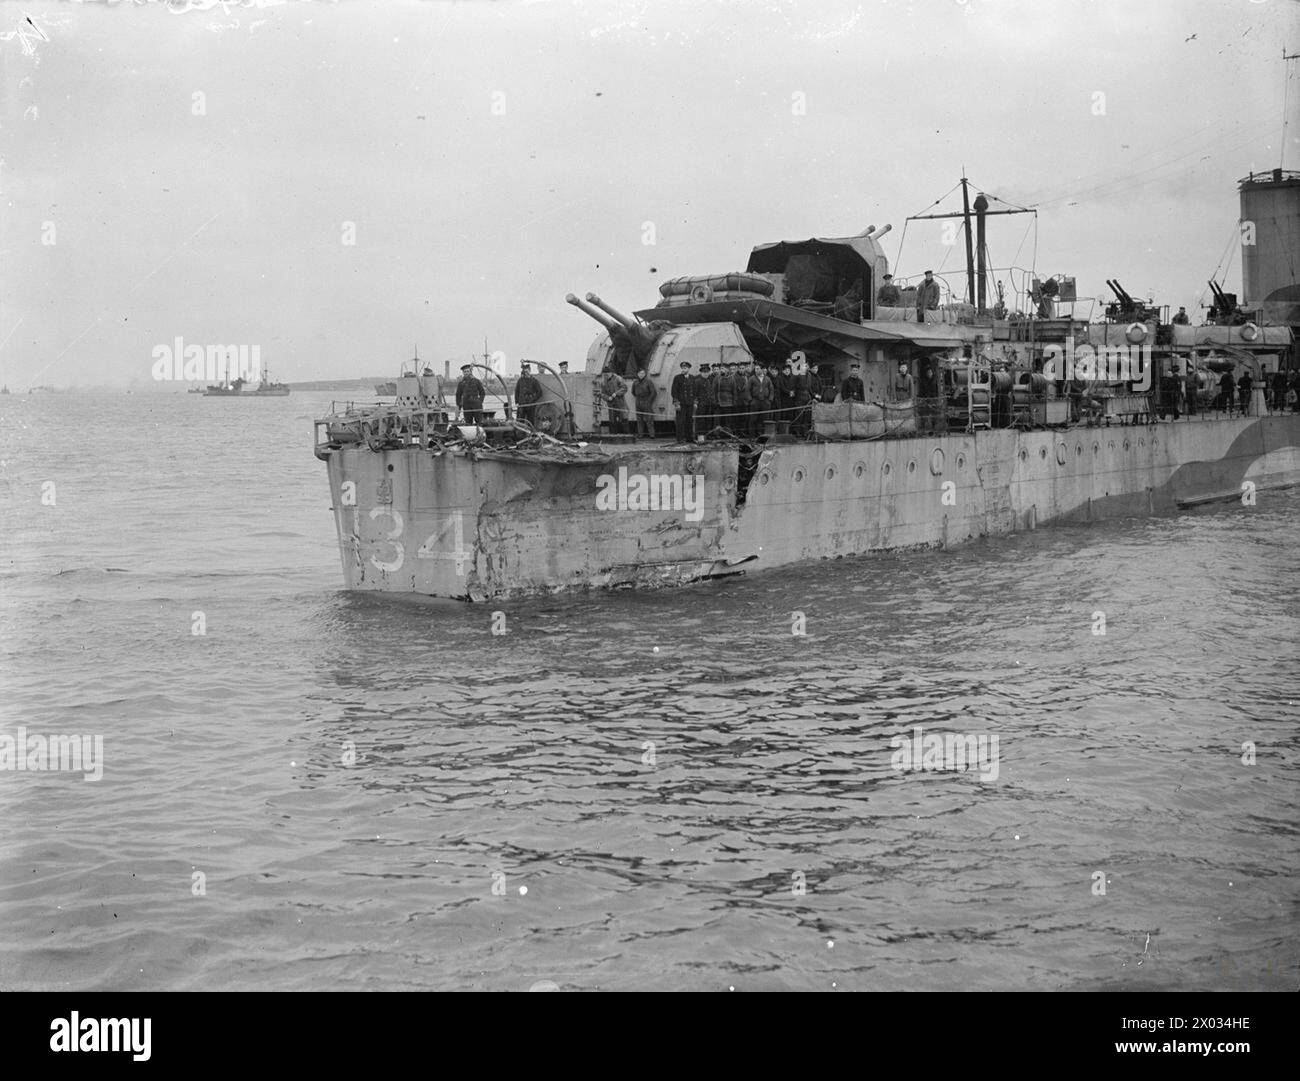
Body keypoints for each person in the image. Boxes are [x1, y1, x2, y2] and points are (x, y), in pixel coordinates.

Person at [670, 360, 694, 442]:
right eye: (683, 368)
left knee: (689, 421)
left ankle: (689, 438)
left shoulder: (692, 378)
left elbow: (694, 391)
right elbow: (674, 391)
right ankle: (680, 439)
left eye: (685, 368)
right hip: (681, 404)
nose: (684, 369)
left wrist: (695, 402)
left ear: (689, 369)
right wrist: (676, 403)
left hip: (689, 403)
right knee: (680, 422)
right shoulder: (677, 378)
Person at [599, 367, 629, 433]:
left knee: (623, 419)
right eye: (604, 375)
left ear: (611, 373)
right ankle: (613, 435)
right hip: (611, 404)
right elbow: (602, 394)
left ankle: (625, 435)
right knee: (612, 420)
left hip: (620, 402)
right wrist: (607, 397)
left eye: (607, 374)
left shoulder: (618, 378)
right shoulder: (603, 382)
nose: (605, 376)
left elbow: (624, 388)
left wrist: (616, 393)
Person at [515, 362, 542, 426]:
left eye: (527, 371)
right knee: (520, 420)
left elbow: (540, 392)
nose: (526, 373)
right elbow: (517, 391)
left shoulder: (534, 381)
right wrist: (517, 401)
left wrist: (533, 399)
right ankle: (520, 434)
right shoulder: (520, 380)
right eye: (525, 371)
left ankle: (530, 433)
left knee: (531, 420)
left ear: (530, 370)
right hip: (522, 403)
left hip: (531, 404)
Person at [632, 368, 657, 437]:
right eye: (640, 373)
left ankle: (652, 435)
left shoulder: (648, 382)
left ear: (645, 374)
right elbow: (633, 392)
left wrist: (648, 401)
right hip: (638, 402)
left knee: (649, 419)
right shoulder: (635, 382)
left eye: (643, 373)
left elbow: (653, 393)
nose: (641, 375)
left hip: (646, 401)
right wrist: (638, 398)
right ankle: (640, 434)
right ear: (637, 374)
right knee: (639, 419)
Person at [749, 362, 773, 434]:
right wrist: (750, 400)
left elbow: (771, 389)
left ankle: (763, 434)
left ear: (762, 369)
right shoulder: (752, 378)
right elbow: (747, 390)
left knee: (765, 418)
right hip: (755, 401)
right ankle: (752, 435)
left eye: (758, 369)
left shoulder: (767, 379)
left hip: (765, 401)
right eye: (755, 369)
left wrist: (769, 400)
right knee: (753, 419)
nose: (756, 370)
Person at [693, 363, 715, 439]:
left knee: (707, 420)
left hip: (708, 404)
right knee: (700, 420)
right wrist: (695, 403)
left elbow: (710, 392)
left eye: (707, 372)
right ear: (701, 373)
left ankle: (707, 435)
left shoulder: (708, 381)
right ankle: (700, 436)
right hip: (701, 404)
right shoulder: (697, 381)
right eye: (704, 372)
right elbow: (694, 393)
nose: (706, 374)